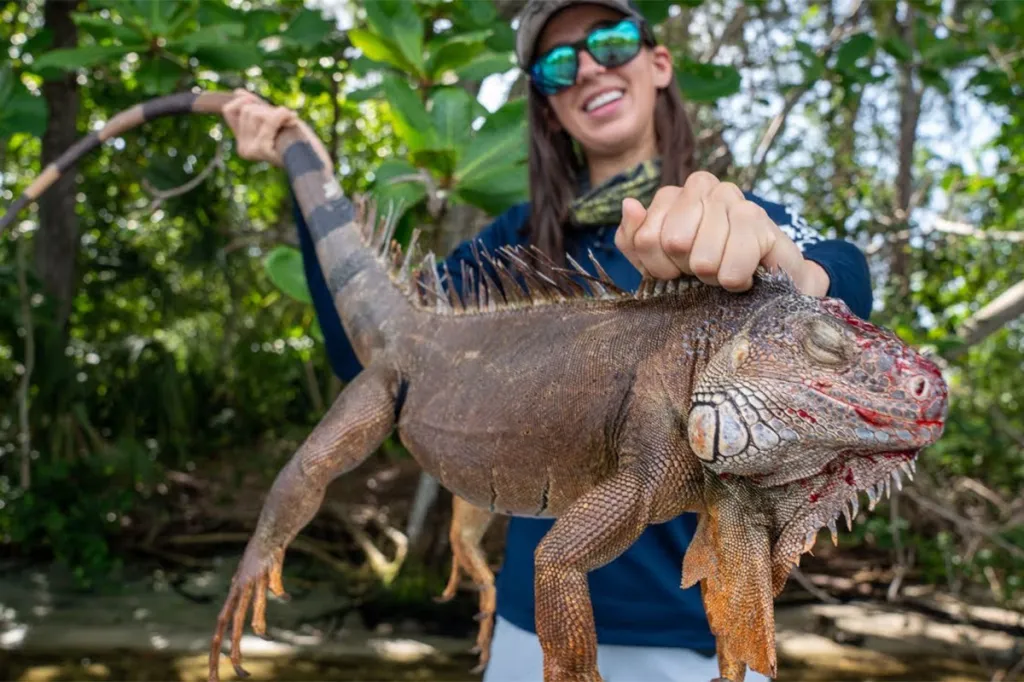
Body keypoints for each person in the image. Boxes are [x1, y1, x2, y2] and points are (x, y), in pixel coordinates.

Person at [223, 0, 873, 680]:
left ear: (658, 63)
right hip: (531, 630)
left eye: (611, 42)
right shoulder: (517, 243)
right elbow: (369, 346)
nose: (588, 68)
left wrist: (799, 276)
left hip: (699, 639)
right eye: (559, 64)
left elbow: (845, 278)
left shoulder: (734, 218)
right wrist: (302, 169)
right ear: (548, 103)